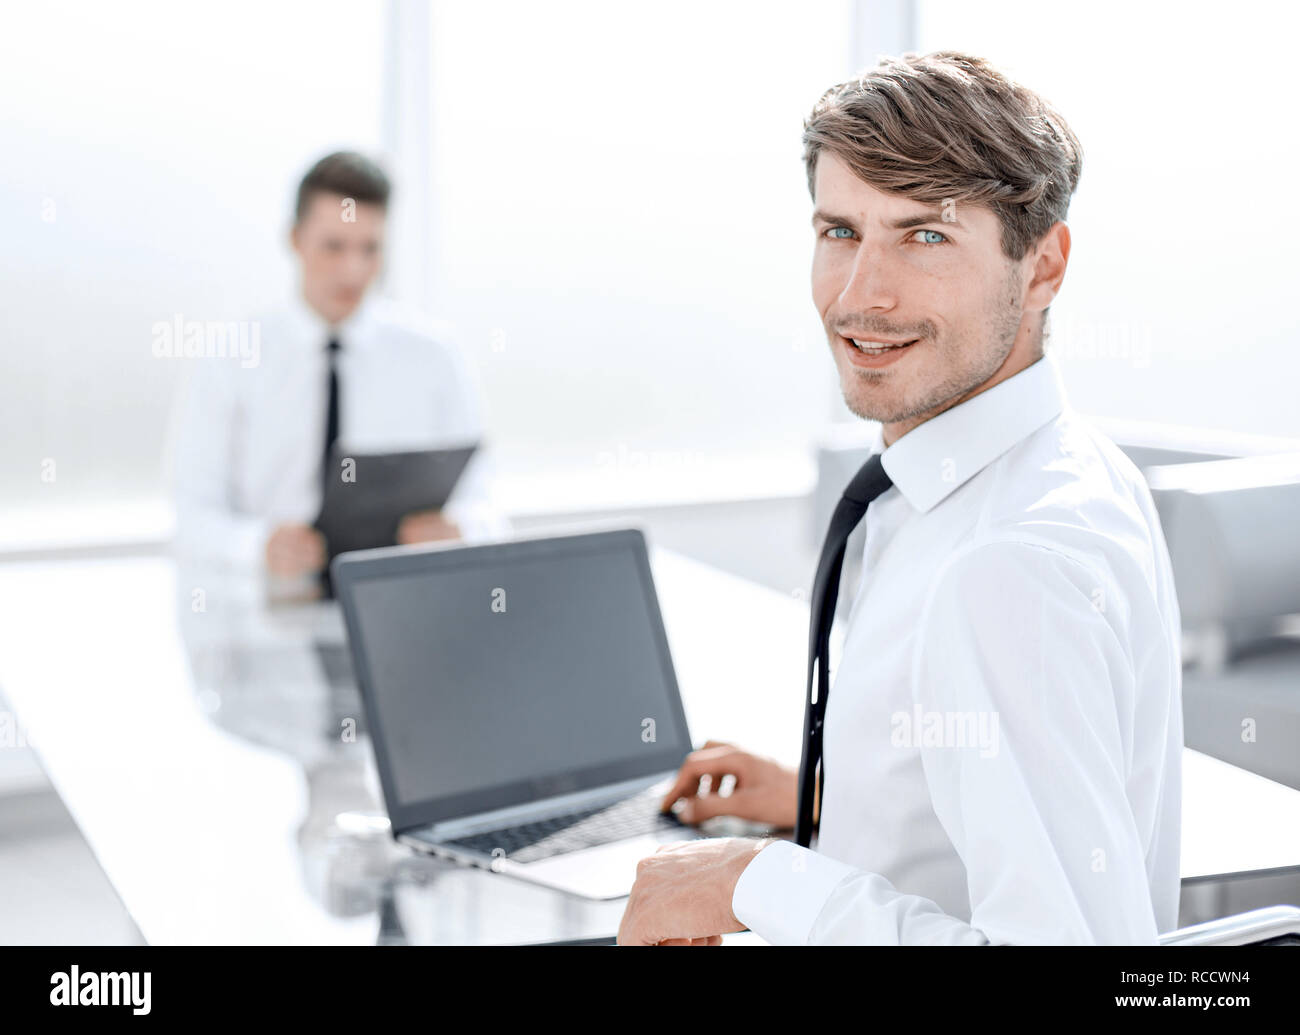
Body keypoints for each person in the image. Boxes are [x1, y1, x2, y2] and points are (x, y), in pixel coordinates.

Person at [618, 52, 1183, 945]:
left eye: (926, 236)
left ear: (1041, 268)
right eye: (841, 231)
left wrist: (756, 880)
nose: (859, 295)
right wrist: (830, 797)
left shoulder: (1008, 566)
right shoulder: (1046, 465)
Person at [170, 151, 505, 582]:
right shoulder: (232, 357)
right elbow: (193, 517)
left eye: (370, 249)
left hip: (402, 602)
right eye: (334, 247)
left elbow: (486, 499)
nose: (353, 269)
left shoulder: (434, 355)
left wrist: (460, 528)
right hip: (269, 610)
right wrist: (259, 545)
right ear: (295, 239)